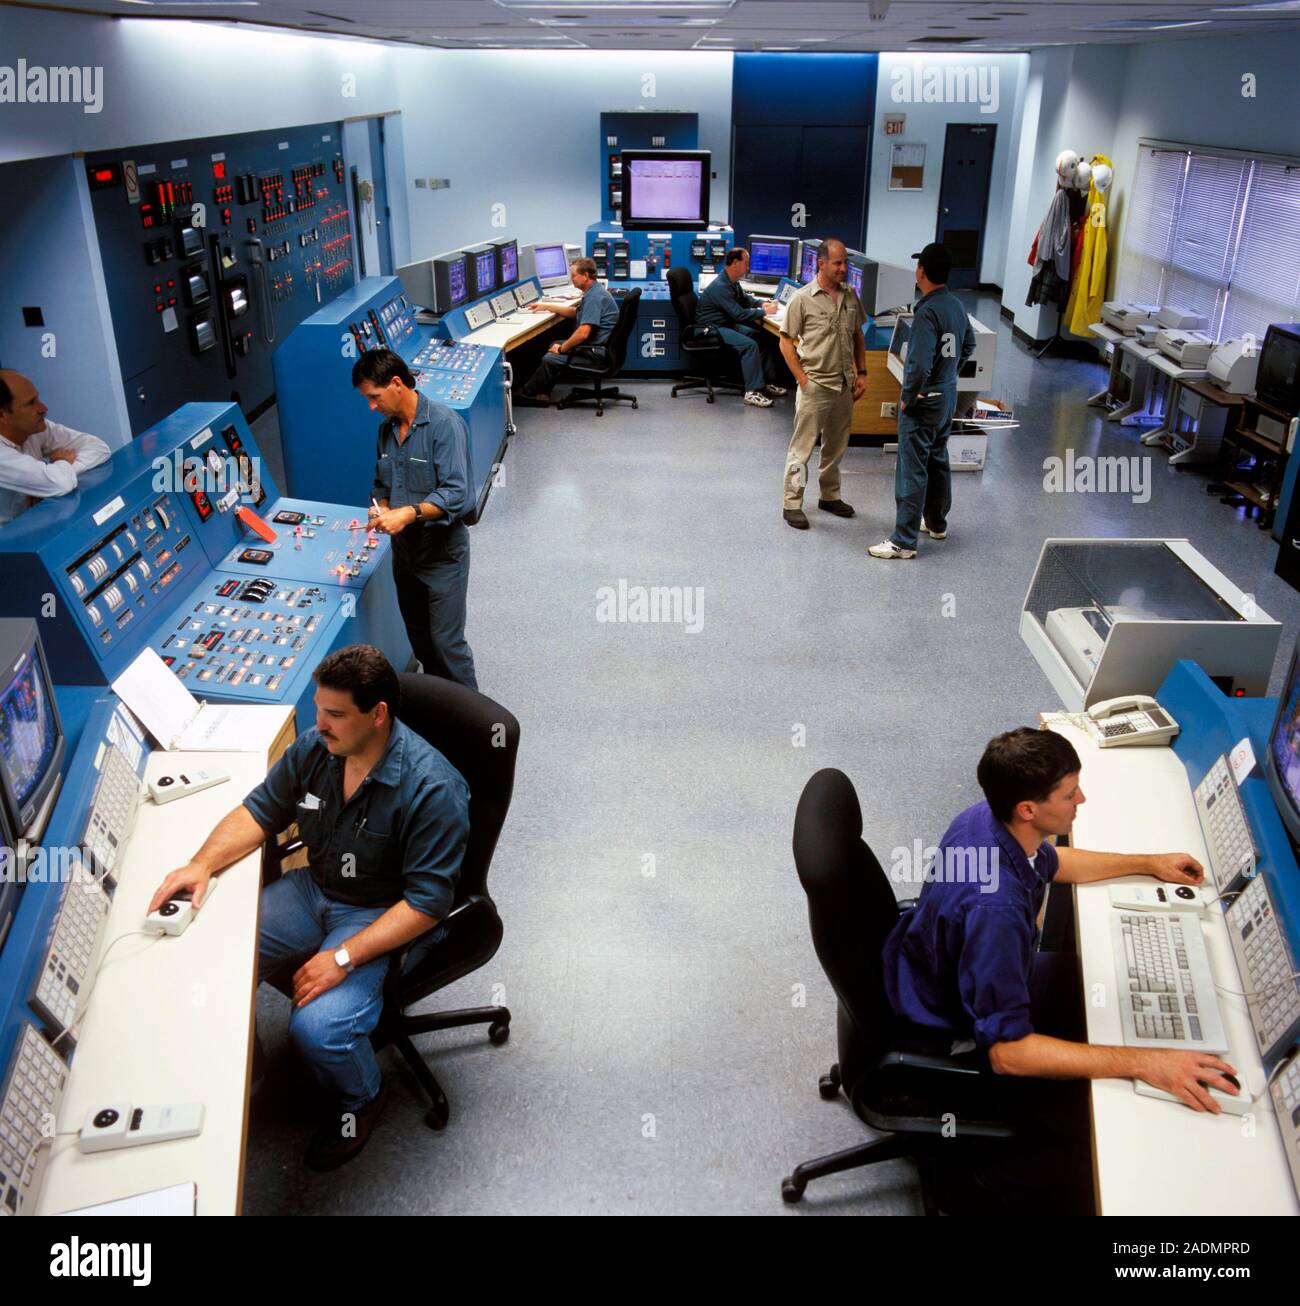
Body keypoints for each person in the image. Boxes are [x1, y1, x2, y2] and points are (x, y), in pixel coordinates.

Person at [883, 726, 1239, 1214]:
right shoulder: (998, 912)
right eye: (1071, 793)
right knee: (1114, 1116)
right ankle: (994, 1177)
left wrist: (1147, 863)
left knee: (1089, 983)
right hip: (952, 1021)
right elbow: (1009, 1054)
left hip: (926, 964)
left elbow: (1051, 862)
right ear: (1029, 808)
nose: (1083, 799)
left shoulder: (985, 818)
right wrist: (1145, 1063)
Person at [148, 645, 470, 1172]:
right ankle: (243, 1072)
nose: (319, 724)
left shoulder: (433, 789)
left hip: (382, 912)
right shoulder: (316, 750)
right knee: (217, 949)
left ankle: (362, 1098)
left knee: (316, 1029)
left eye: (335, 715)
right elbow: (260, 810)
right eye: (319, 710)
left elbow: (427, 904)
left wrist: (341, 959)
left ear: (378, 714)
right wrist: (201, 865)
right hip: (314, 889)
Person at [353, 348, 478, 690]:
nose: (372, 406)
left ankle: (476, 727)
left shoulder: (444, 425)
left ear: (396, 383)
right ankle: (444, 706)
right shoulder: (385, 432)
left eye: (374, 397)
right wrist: (380, 507)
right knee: (420, 641)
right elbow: (381, 483)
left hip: (441, 556)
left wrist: (407, 513)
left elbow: (458, 493)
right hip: (405, 557)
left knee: (446, 644)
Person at [867, 242, 975, 560]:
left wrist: (909, 396)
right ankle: (937, 523)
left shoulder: (927, 310)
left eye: (918, 266)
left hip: (925, 399)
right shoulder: (955, 304)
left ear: (922, 271)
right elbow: (968, 343)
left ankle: (903, 540)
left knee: (912, 468)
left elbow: (918, 362)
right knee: (938, 459)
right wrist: (948, 373)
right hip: (947, 395)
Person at [777, 240, 867, 530]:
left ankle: (829, 496)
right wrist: (803, 380)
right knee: (801, 450)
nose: (843, 269)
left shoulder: (851, 296)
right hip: (816, 385)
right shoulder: (802, 299)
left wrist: (862, 372)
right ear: (821, 263)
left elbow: (857, 335)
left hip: (843, 386)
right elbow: (785, 343)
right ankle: (792, 503)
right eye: (838, 263)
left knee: (836, 447)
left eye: (845, 263)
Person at [0, 370, 110, 527]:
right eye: (30, 403)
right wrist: (57, 471)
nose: (43, 408)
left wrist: (61, 470)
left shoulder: (33, 428)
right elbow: (61, 484)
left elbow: (99, 448)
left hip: (33, 528)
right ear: (2, 415)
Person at [519, 257, 619, 405]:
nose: (571, 279)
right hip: (603, 348)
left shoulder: (594, 297)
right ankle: (542, 393)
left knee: (551, 357)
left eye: (573, 275)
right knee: (554, 344)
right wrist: (547, 306)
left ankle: (528, 394)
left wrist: (562, 349)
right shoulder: (595, 291)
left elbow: (583, 332)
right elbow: (576, 312)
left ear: (585, 276)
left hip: (596, 353)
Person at [694, 247, 786, 408]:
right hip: (711, 329)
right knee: (749, 345)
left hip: (725, 324)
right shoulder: (720, 287)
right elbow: (739, 315)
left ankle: (765, 383)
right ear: (735, 263)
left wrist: (760, 304)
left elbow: (745, 299)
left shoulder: (731, 282)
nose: (748, 267)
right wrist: (763, 311)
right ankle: (752, 392)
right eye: (746, 263)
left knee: (760, 338)